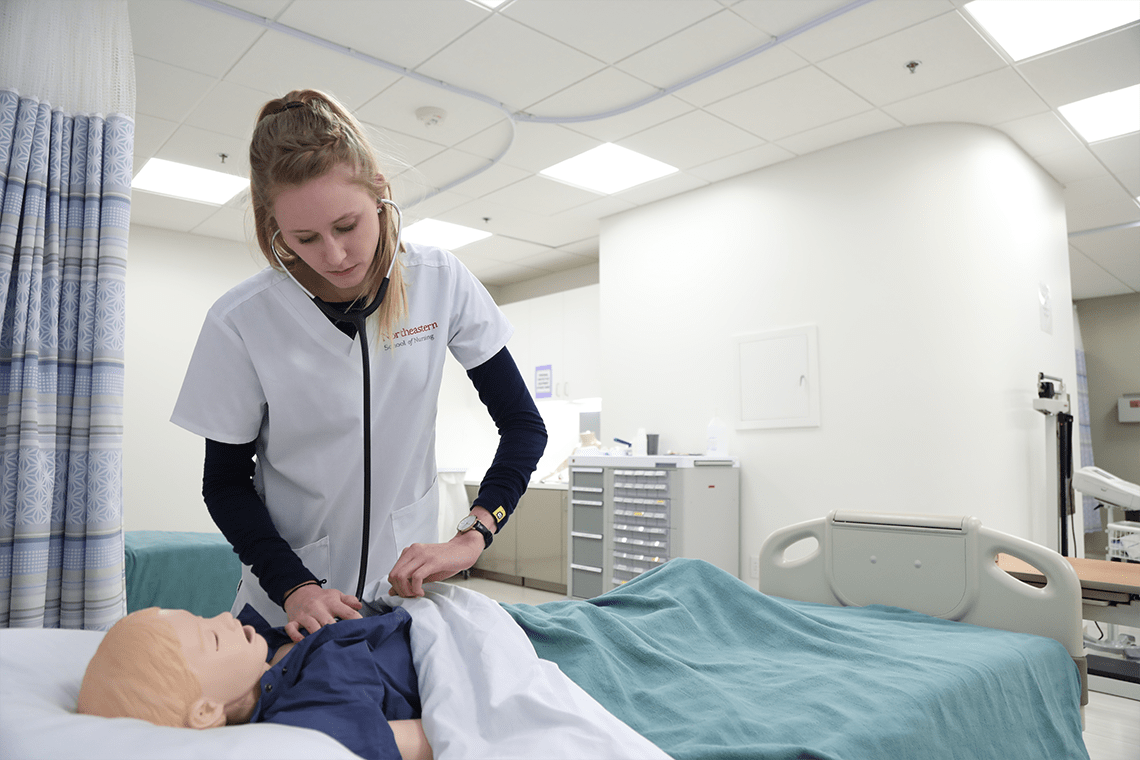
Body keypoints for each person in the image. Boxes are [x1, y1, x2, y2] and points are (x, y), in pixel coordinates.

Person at [171, 89, 547, 642]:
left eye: (347, 226)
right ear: (274, 228)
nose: (335, 254)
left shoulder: (438, 282)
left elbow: (523, 426)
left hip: (405, 600)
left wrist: (474, 533)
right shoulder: (242, 321)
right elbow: (225, 484)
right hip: (287, 605)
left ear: (379, 194)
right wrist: (294, 586)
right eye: (304, 238)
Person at [77, 606, 430, 760]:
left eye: (204, 617)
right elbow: (444, 735)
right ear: (205, 710)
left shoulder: (270, 653)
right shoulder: (309, 725)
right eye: (213, 638)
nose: (225, 618)